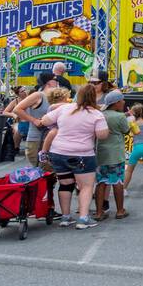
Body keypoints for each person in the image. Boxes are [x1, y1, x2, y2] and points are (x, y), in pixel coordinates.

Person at [38, 83, 108, 229]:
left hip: (58, 152)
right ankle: (83, 218)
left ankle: (65, 217)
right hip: (82, 155)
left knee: (65, 184)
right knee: (86, 186)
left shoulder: (65, 108)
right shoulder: (96, 114)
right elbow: (102, 135)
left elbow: (44, 120)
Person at [94, 91, 132, 221]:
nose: (124, 102)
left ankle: (99, 212)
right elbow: (126, 130)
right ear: (116, 103)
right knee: (117, 181)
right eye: (122, 100)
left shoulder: (100, 115)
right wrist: (129, 118)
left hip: (101, 153)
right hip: (116, 153)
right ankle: (120, 211)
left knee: (101, 182)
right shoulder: (120, 117)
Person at [15, 72, 59, 170]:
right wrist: (34, 120)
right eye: (55, 80)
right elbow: (17, 109)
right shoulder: (38, 95)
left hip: (54, 141)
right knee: (43, 173)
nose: (57, 82)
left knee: (52, 175)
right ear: (49, 82)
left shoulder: (55, 97)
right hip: (36, 141)